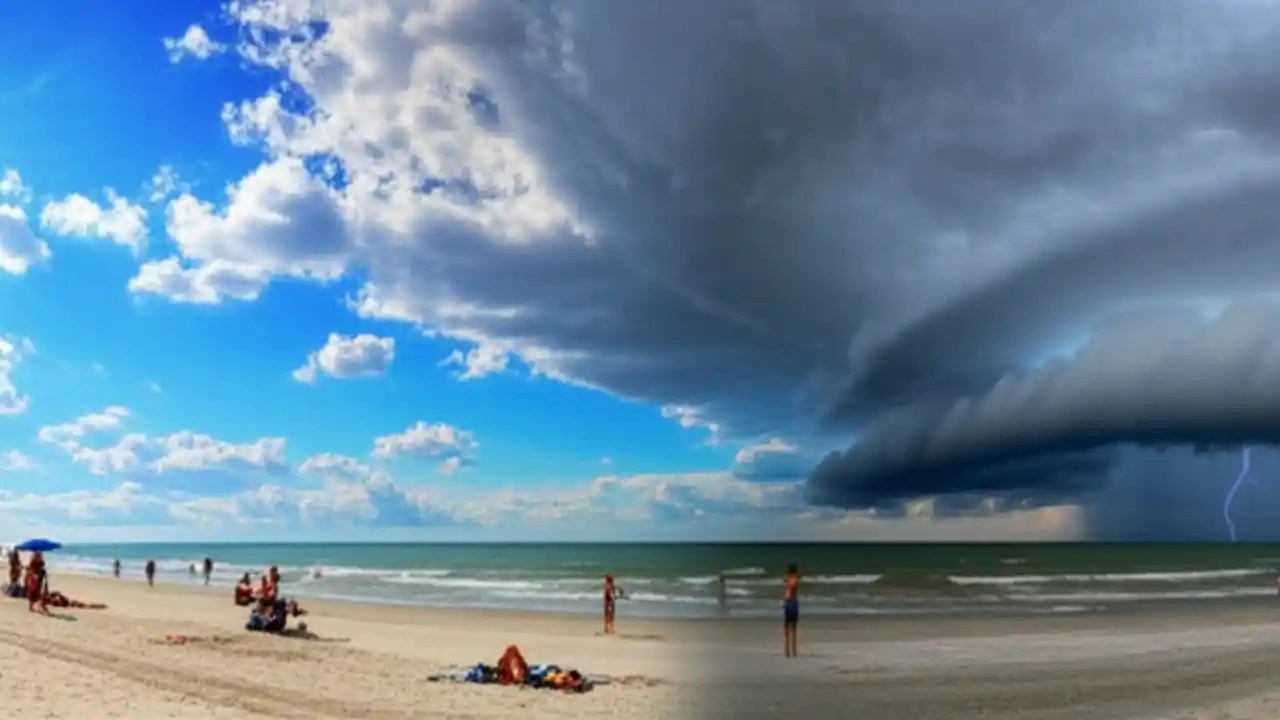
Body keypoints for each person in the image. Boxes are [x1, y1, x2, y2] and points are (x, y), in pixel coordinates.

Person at [783, 564, 800, 658]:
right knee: (792, 629)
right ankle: (792, 651)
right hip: (792, 604)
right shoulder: (793, 580)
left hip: (789, 603)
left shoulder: (789, 581)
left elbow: (788, 593)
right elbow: (791, 591)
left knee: (788, 629)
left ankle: (789, 651)